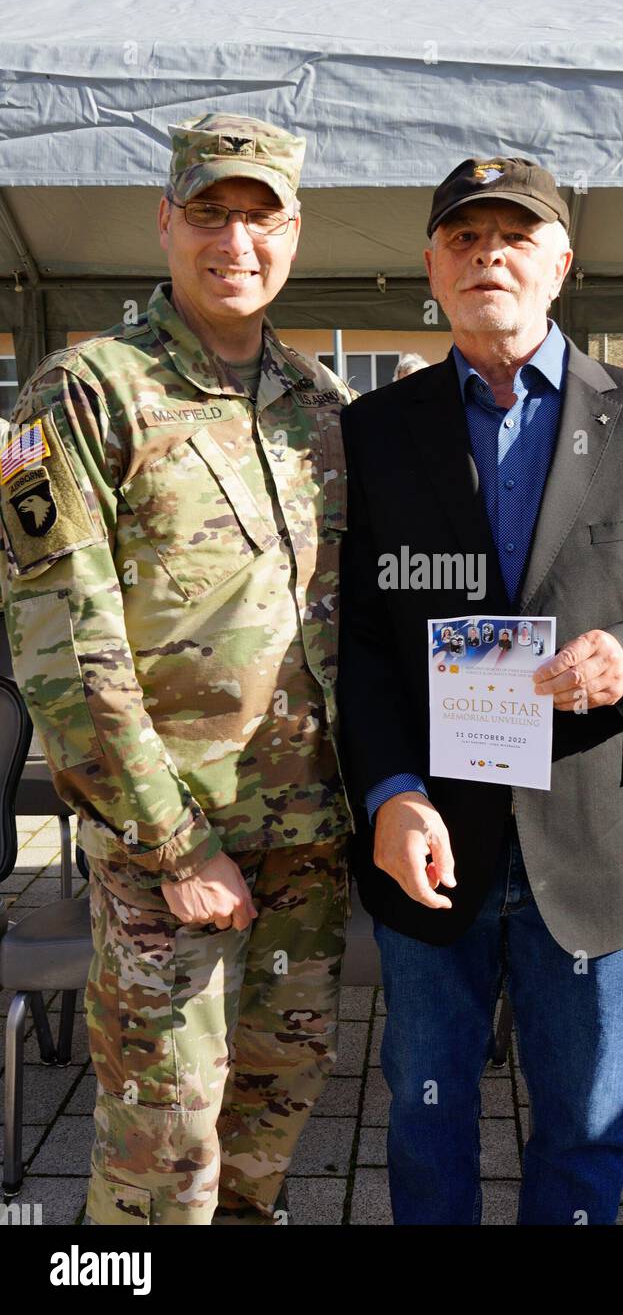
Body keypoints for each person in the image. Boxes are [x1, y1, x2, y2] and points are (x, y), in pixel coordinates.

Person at [337, 155, 623, 1225]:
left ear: (560, 264)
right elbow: (364, 648)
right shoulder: (378, 434)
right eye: (465, 237)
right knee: (426, 1114)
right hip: (431, 839)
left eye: (515, 236)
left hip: (599, 839)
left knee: (584, 1121)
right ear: (432, 266)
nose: (490, 255)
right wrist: (389, 790)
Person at [0, 112, 355, 1225]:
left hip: (310, 841)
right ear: (165, 221)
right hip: (172, 850)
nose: (235, 240)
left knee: (266, 1136)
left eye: (260, 217)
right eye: (211, 213)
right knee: (164, 1161)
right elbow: (64, 650)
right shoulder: (83, 391)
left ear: (294, 234)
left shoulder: (320, 407)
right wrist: (174, 844)